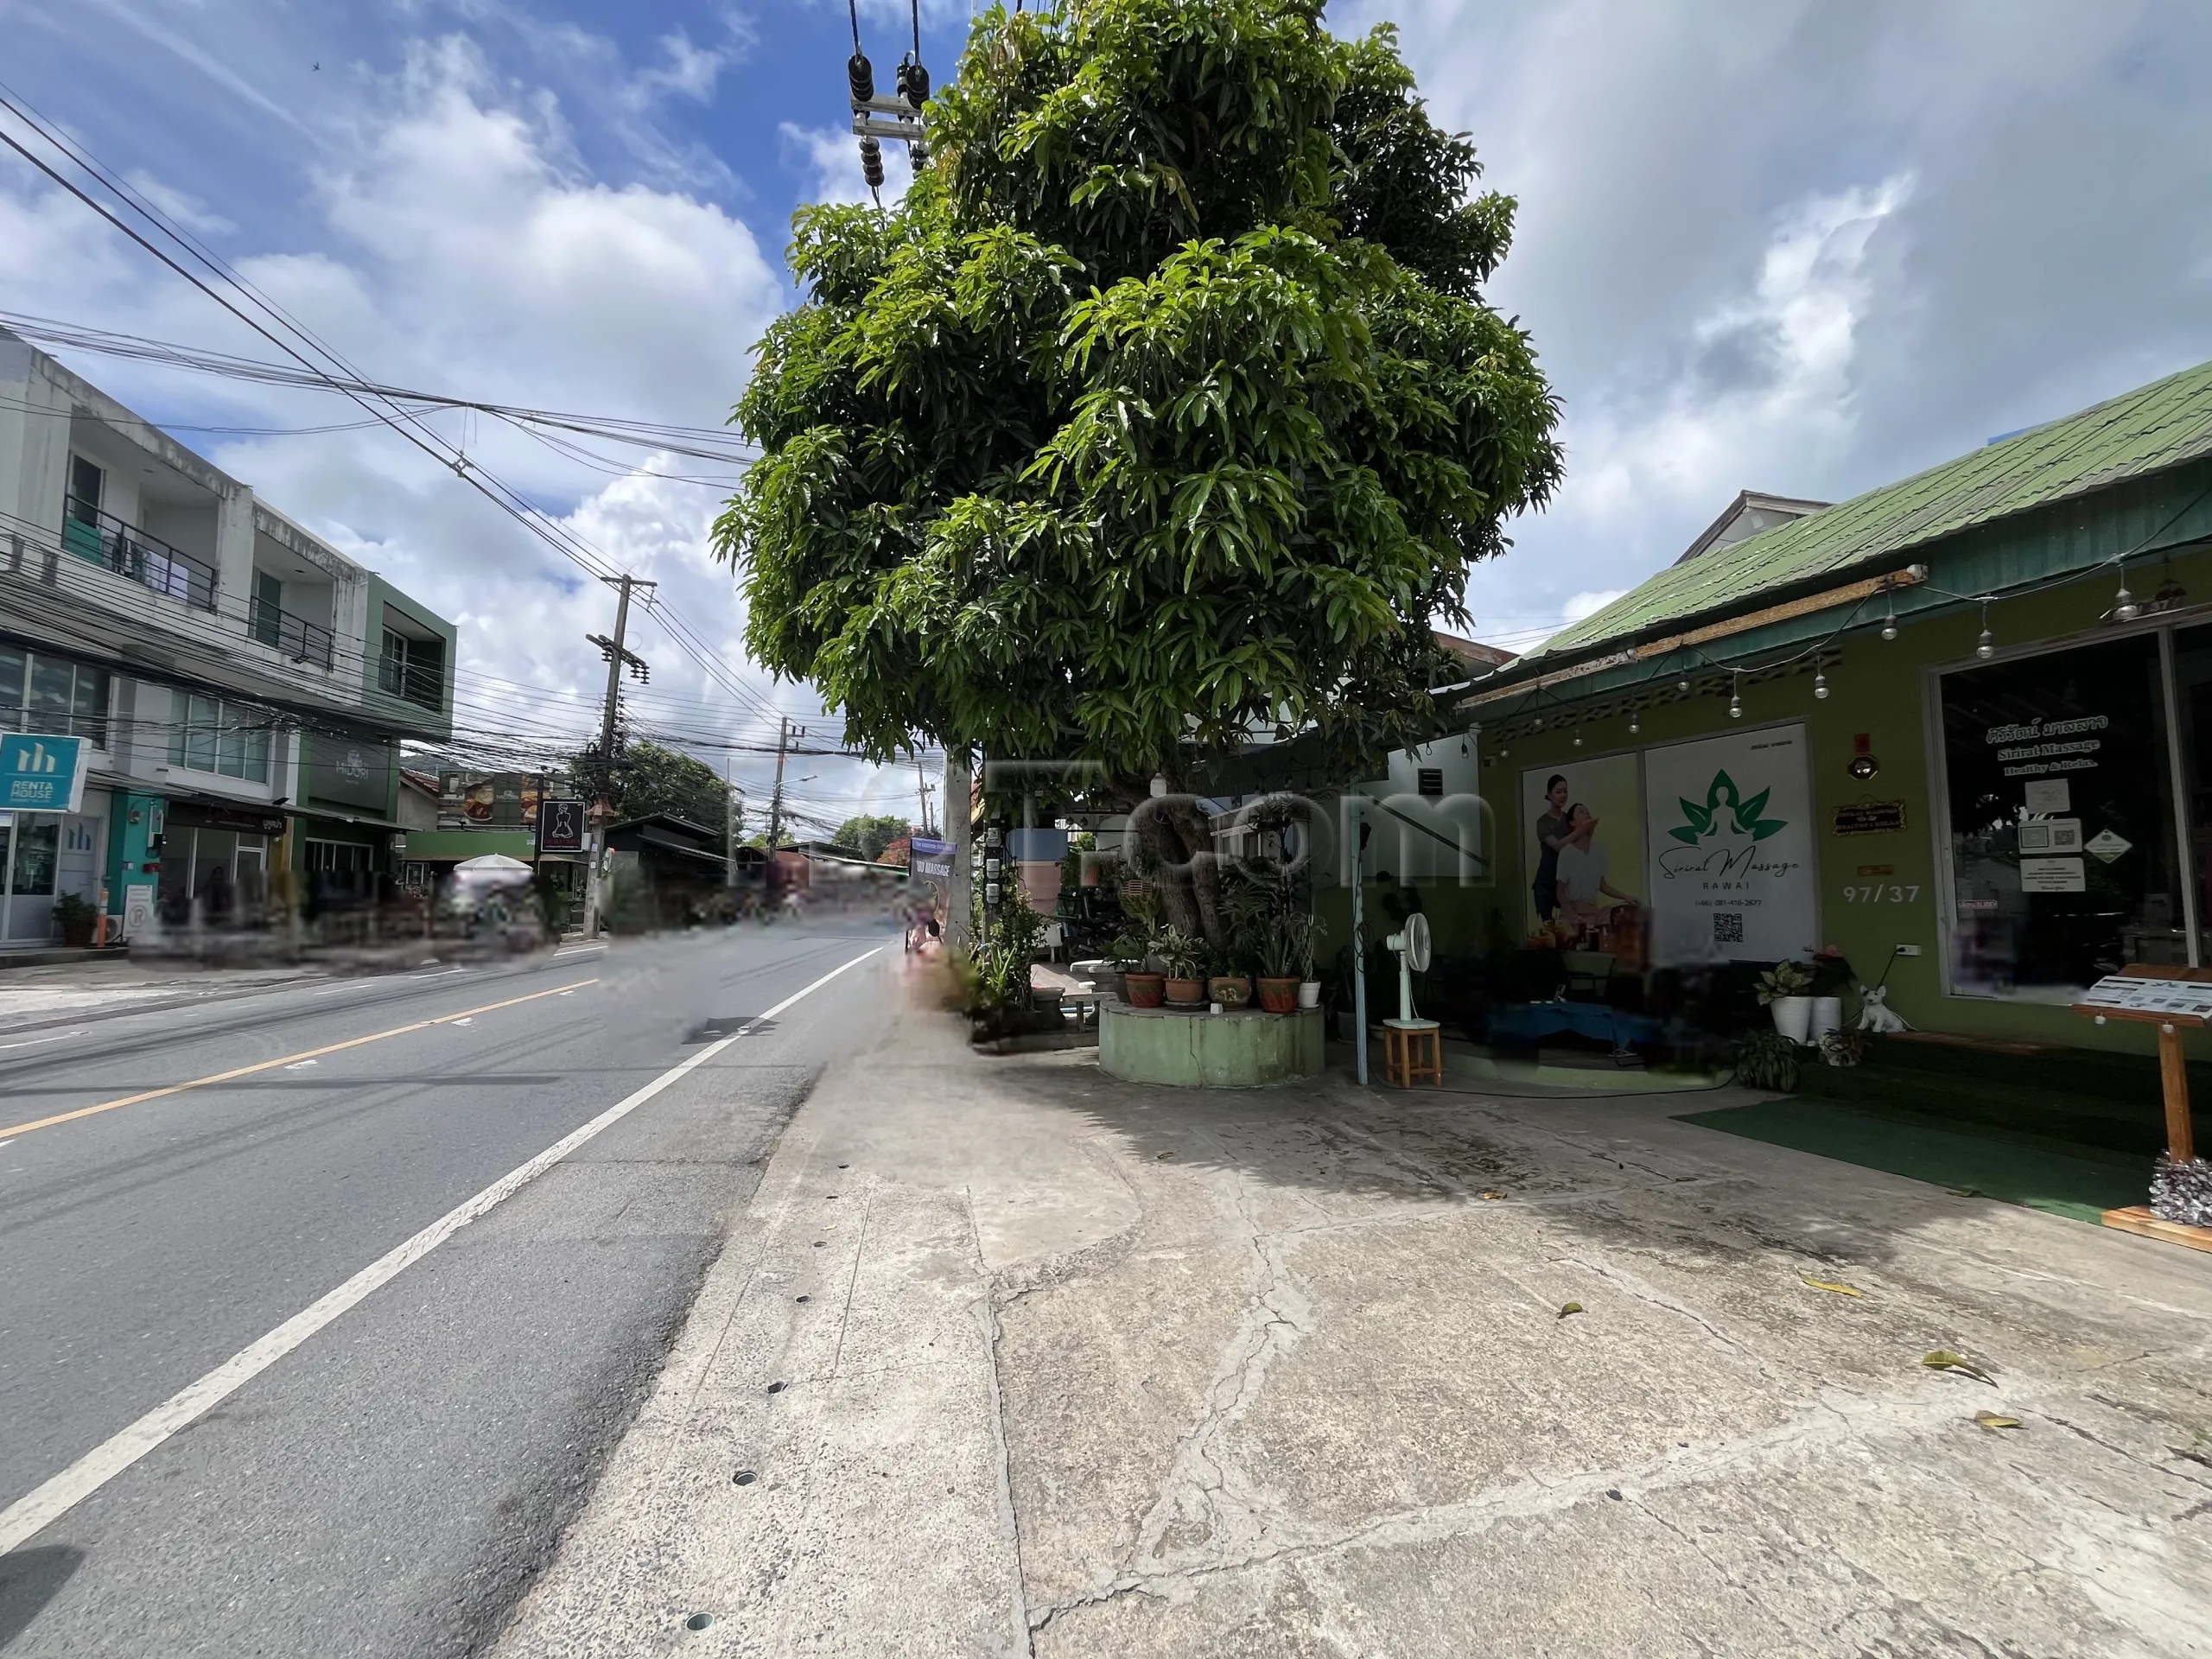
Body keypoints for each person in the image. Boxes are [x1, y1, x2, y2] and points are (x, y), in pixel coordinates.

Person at [1554, 802, 1638, 926]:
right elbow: (1560, 892)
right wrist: (1573, 916)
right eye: (1581, 811)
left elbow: (1602, 885)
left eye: (1587, 810)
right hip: (1571, 914)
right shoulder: (1567, 853)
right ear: (1572, 823)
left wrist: (1626, 897)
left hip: (1593, 913)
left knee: (1626, 914)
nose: (1586, 812)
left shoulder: (1599, 851)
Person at [1531, 774, 1573, 921]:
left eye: (1565, 791)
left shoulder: (1569, 819)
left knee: (1569, 923)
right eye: (1559, 791)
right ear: (1549, 795)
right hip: (1546, 880)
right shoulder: (1542, 822)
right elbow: (1557, 846)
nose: (1563, 795)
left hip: (1565, 879)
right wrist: (1579, 831)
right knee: (1549, 928)